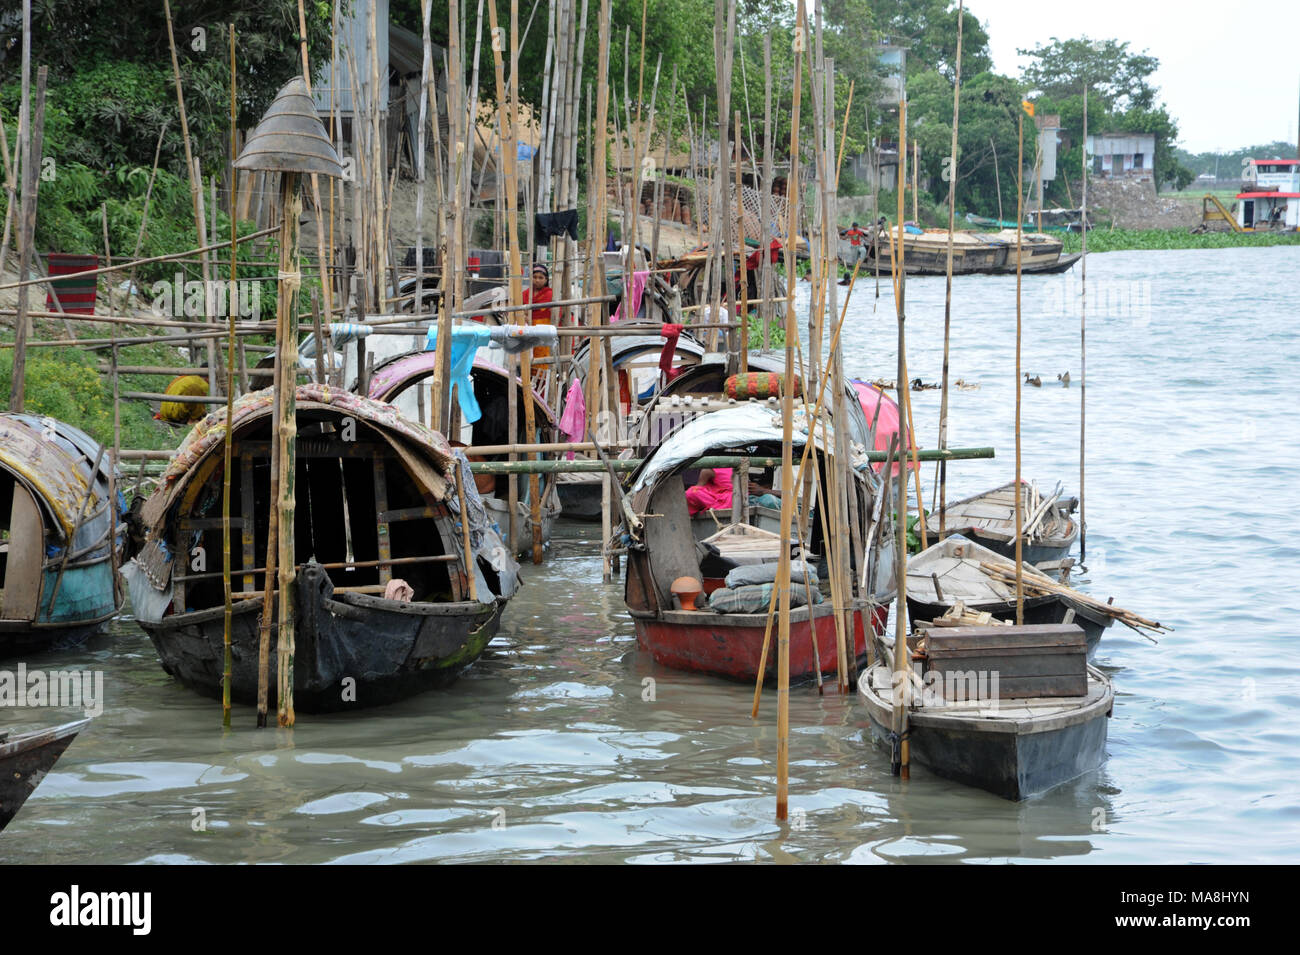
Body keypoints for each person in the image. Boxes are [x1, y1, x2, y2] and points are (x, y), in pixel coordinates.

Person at [522, 263, 555, 358]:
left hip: (543, 333)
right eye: (535, 277)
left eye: (541, 278)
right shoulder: (525, 294)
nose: (537, 280)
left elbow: (556, 314)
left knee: (541, 362)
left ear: (546, 279)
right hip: (526, 332)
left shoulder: (550, 295)